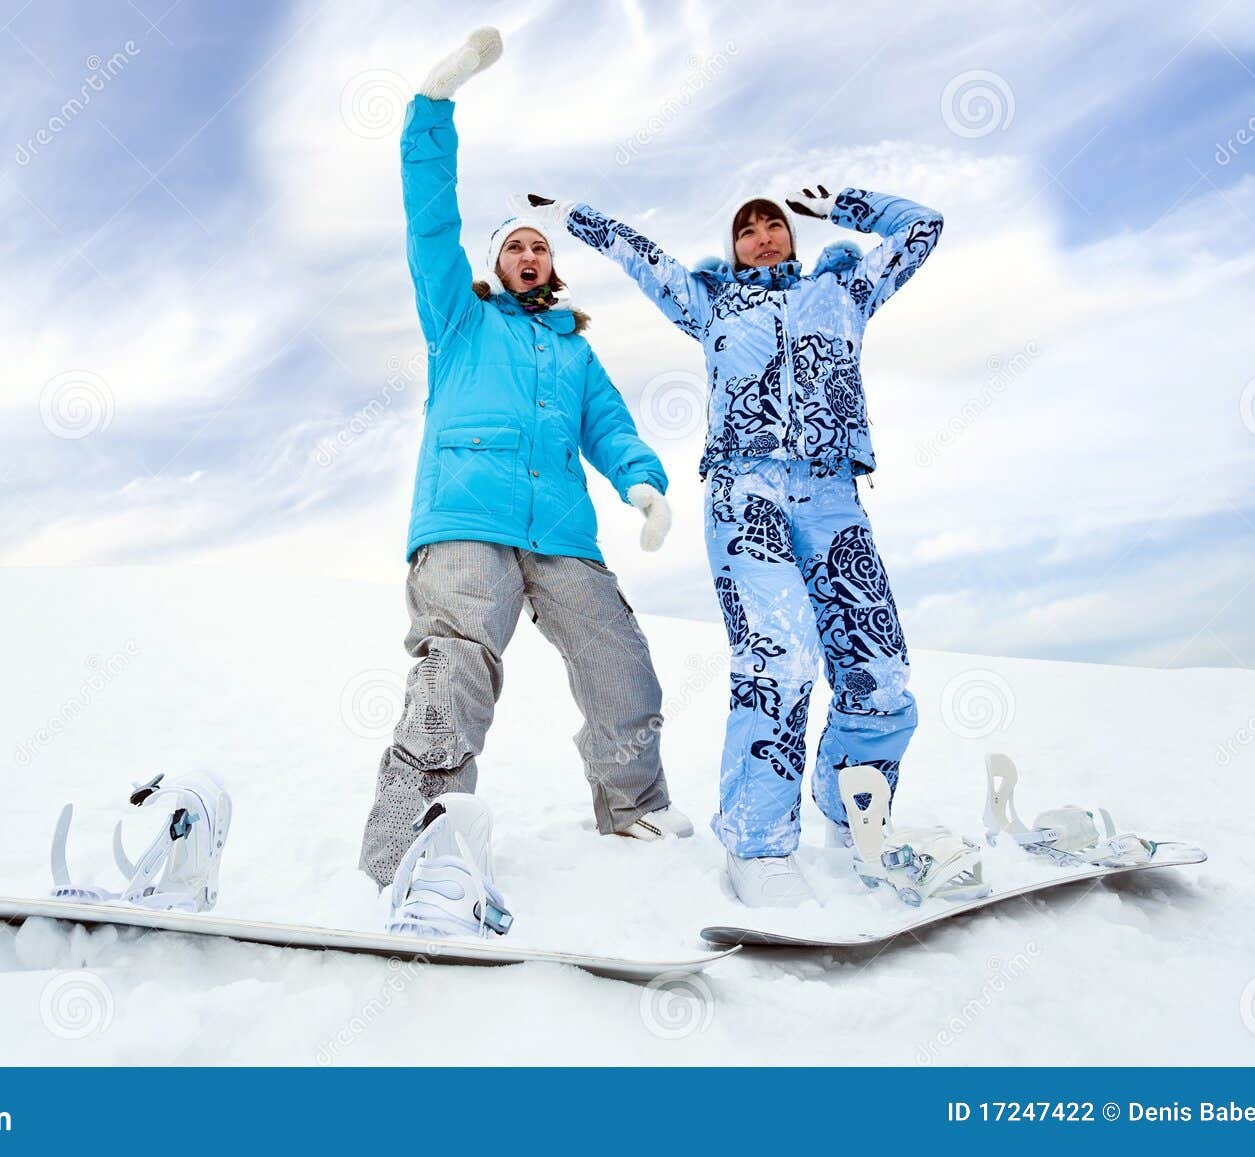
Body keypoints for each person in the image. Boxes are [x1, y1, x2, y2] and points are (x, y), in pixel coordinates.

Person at [518, 180, 942, 906]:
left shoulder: (843, 292)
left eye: (773, 225)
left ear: (793, 236)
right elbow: (642, 256)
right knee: (780, 653)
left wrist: (843, 204)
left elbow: (923, 229)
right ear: (735, 250)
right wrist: (573, 217)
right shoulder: (711, 302)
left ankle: (856, 811)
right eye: (747, 230)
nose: (762, 236)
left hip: (833, 498)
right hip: (746, 496)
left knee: (880, 673)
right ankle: (757, 843)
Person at [359, 29, 693, 933]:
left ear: (553, 263)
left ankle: (636, 807)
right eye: (516, 245)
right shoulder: (458, 321)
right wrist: (432, 110)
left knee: (620, 660)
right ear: (497, 263)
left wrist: (643, 483)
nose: (531, 254)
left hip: (562, 532)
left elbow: (611, 426)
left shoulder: (575, 350)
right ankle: (408, 845)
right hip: (468, 523)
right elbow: (429, 222)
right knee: (457, 667)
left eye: (541, 245)